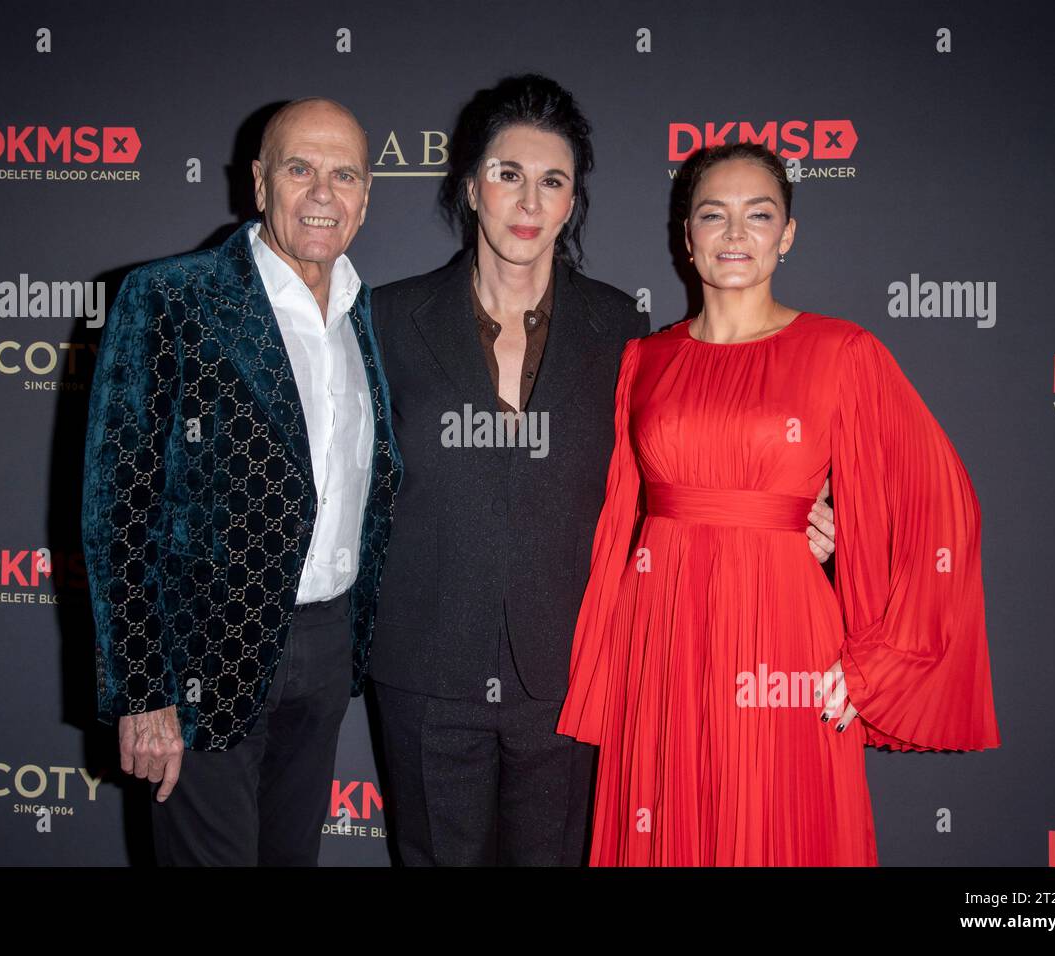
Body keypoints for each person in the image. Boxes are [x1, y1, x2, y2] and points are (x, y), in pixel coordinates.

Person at [367, 76, 838, 866]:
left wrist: (788, 519)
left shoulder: (622, 327)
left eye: (552, 181)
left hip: (573, 669)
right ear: (471, 186)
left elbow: (667, 471)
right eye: (508, 174)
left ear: (572, 201)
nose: (528, 201)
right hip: (425, 665)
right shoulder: (386, 318)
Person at [557, 141, 1001, 866]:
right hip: (661, 632)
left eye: (758, 215)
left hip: (781, 635)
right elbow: (620, 522)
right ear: (687, 236)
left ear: (787, 234)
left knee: (773, 827)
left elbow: (941, 507)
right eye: (714, 215)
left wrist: (879, 662)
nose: (736, 235)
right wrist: (612, 663)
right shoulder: (647, 359)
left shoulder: (841, 352)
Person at [81, 97, 402, 866]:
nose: (322, 192)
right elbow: (115, 507)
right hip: (200, 655)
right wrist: (142, 692)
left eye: (344, 174)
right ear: (260, 183)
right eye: (300, 168)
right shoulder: (171, 298)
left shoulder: (364, 312)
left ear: (365, 198)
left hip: (325, 646)